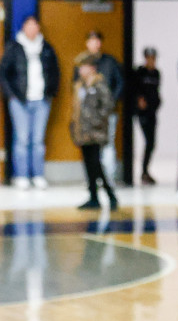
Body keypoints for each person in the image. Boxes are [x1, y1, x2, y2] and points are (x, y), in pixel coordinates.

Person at [0, 16, 60, 189]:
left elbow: (55, 72)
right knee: (22, 138)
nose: (32, 29)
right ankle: (22, 176)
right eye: (29, 26)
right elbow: (4, 73)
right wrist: (11, 95)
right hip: (19, 100)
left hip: (41, 100)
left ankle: (38, 175)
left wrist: (51, 93)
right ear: (24, 28)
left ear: (39, 28)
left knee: (38, 140)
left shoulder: (46, 48)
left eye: (35, 26)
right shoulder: (14, 47)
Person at [72, 31, 123, 185]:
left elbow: (119, 84)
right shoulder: (80, 73)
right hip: (86, 119)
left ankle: (108, 180)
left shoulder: (109, 64)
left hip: (104, 116)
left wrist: (107, 108)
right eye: (91, 40)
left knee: (107, 147)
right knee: (89, 154)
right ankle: (93, 184)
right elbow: (75, 91)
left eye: (97, 40)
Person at [71, 58, 119, 211]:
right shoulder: (80, 86)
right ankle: (93, 196)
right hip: (83, 131)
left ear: (92, 68)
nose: (80, 71)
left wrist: (97, 121)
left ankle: (110, 194)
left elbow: (108, 105)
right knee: (88, 165)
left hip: (95, 131)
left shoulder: (100, 85)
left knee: (96, 164)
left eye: (83, 67)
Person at [129, 46, 163, 185]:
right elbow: (134, 89)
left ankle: (145, 171)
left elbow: (156, 91)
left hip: (152, 112)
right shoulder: (139, 72)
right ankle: (143, 171)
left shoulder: (156, 73)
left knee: (151, 143)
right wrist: (139, 100)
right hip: (142, 113)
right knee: (148, 140)